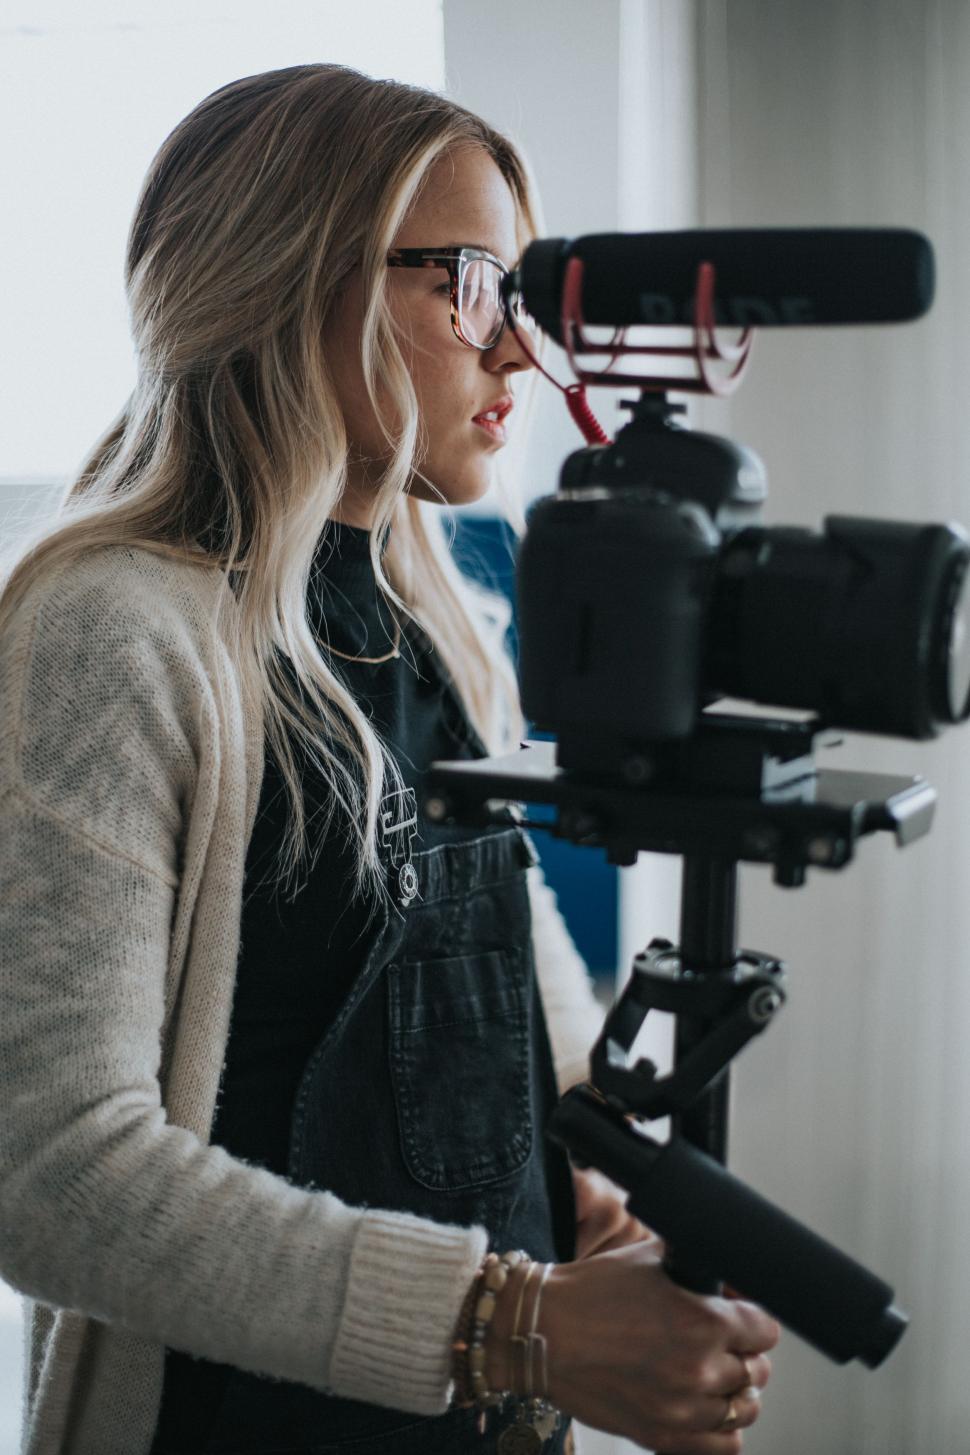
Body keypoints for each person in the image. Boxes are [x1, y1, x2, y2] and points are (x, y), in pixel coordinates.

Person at [0, 63, 778, 1455]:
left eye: (523, 294)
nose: (522, 353)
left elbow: (514, 1021)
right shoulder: (110, 629)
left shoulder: (443, 624)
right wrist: (512, 1321)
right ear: (287, 276)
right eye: (469, 282)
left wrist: (582, 1188)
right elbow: (50, 1173)